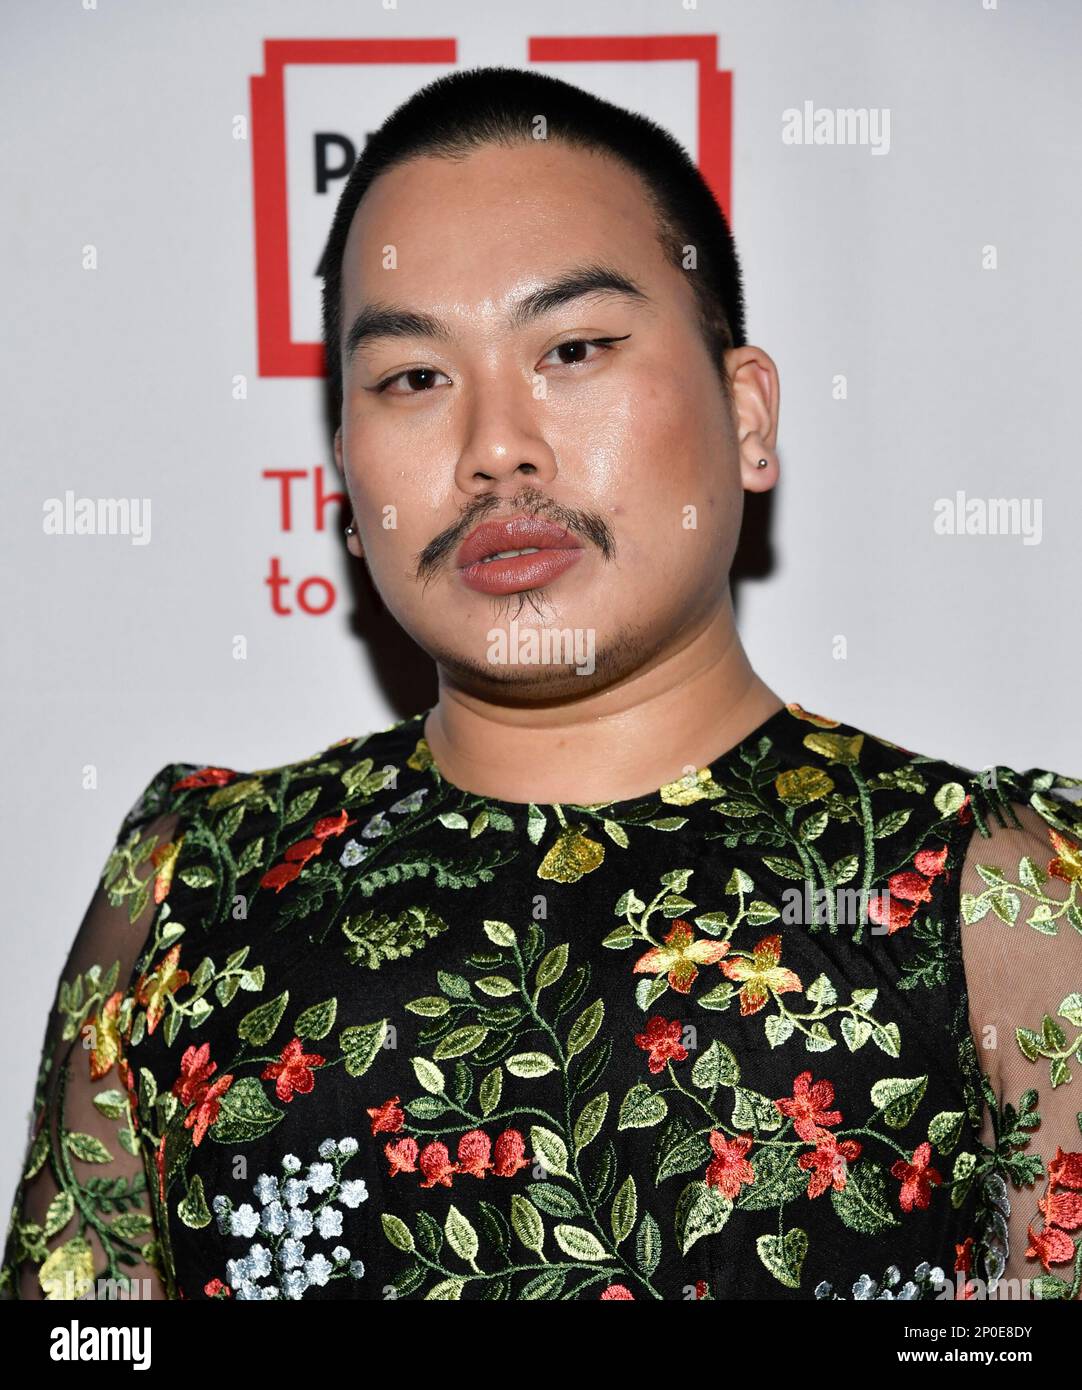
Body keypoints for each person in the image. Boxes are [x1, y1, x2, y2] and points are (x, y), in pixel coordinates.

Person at [3, 66, 1080, 1303]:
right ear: (343, 470)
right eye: (413, 377)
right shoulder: (193, 881)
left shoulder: (996, 889)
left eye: (571, 349)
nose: (493, 446)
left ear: (746, 415)